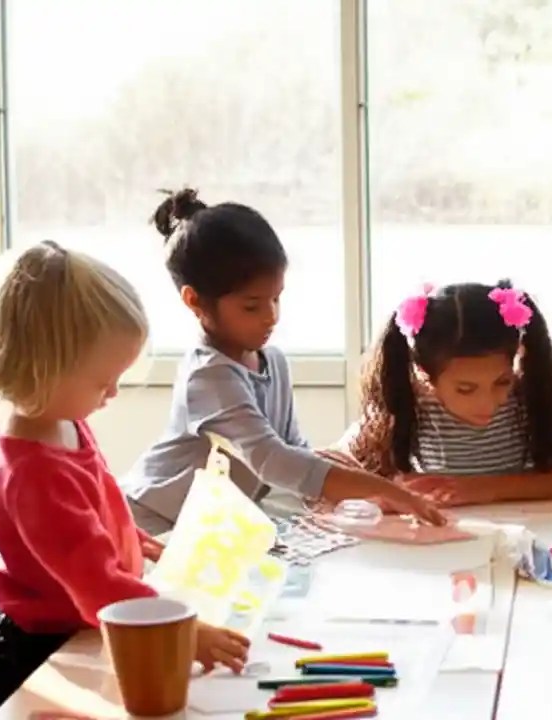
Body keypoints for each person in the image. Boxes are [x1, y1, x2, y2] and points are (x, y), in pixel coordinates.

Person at [0, 241, 250, 716]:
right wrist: (184, 633)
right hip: (34, 653)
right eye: (102, 381)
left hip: (76, 625)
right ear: (43, 370)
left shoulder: (62, 421)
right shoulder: (35, 473)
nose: (113, 392)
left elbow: (93, 510)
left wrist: (139, 540)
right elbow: (96, 584)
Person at [122, 189, 445, 533]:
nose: (271, 317)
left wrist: (361, 489)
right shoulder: (208, 376)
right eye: (252, 306)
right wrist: (380, 488)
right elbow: (274, 461)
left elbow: (295, 452)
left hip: (208, 529)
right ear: (194, 301)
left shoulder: (272, 361)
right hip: (154, 524)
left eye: (277, 299)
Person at [319, 281, 552, 506]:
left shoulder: (531, 399)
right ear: (424, 373)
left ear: (517, 358)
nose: (488, 403)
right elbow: (331, 468)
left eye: (502, 382)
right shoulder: (408, 403)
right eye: (465, 389)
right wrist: (392, 491)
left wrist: (480, 489)